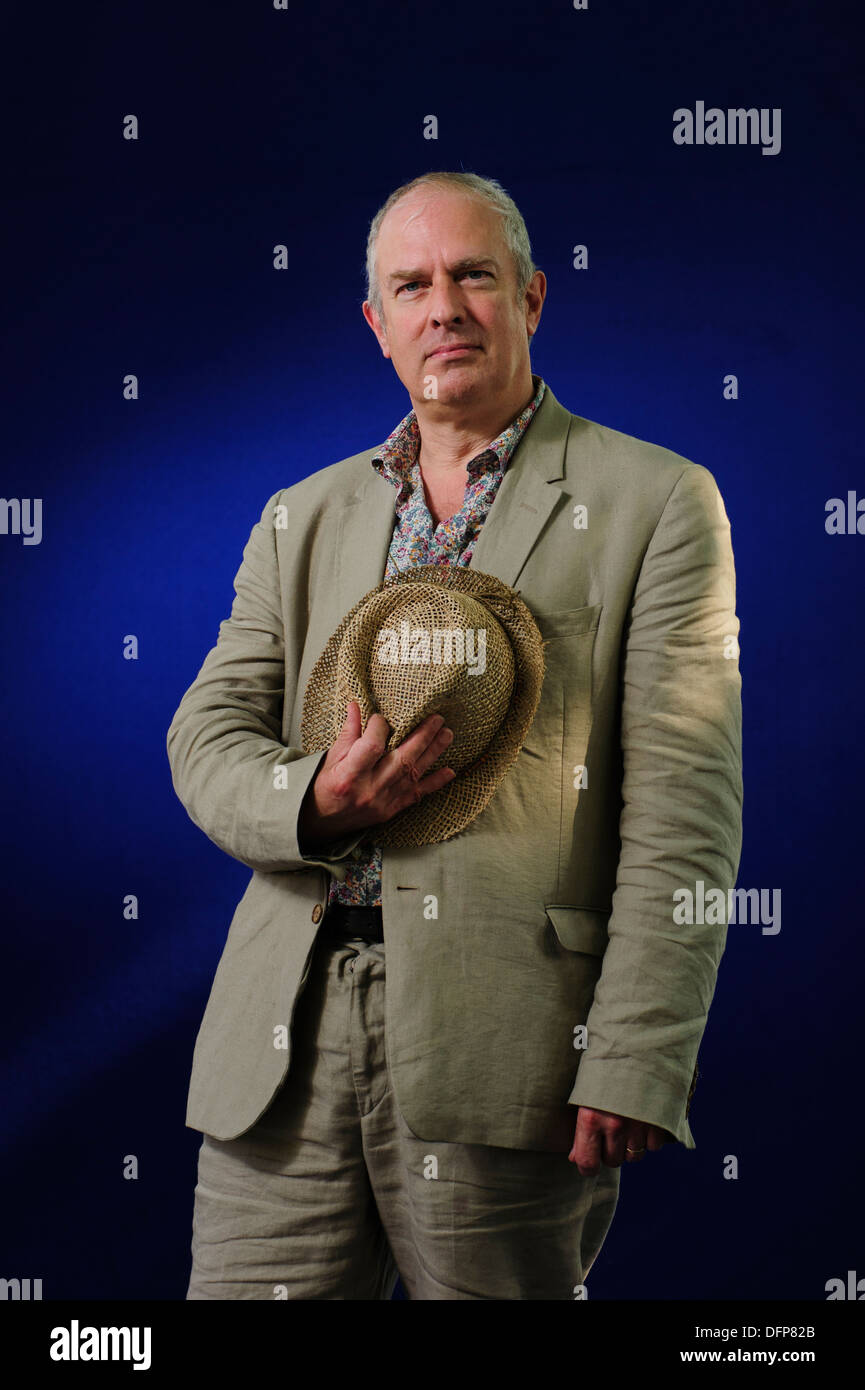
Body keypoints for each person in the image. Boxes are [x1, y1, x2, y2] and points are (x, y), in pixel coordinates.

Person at [167, 170, 743, 1300]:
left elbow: (687, 814)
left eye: (473, 274)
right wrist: (313, 804)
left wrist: (635, 1053)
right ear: (377, 326)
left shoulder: (658, 501)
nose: (445, 307)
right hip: (280, 1045)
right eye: (412, 285)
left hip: (513, 1047)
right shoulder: (303, 513)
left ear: (531, 297)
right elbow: (205, 736)